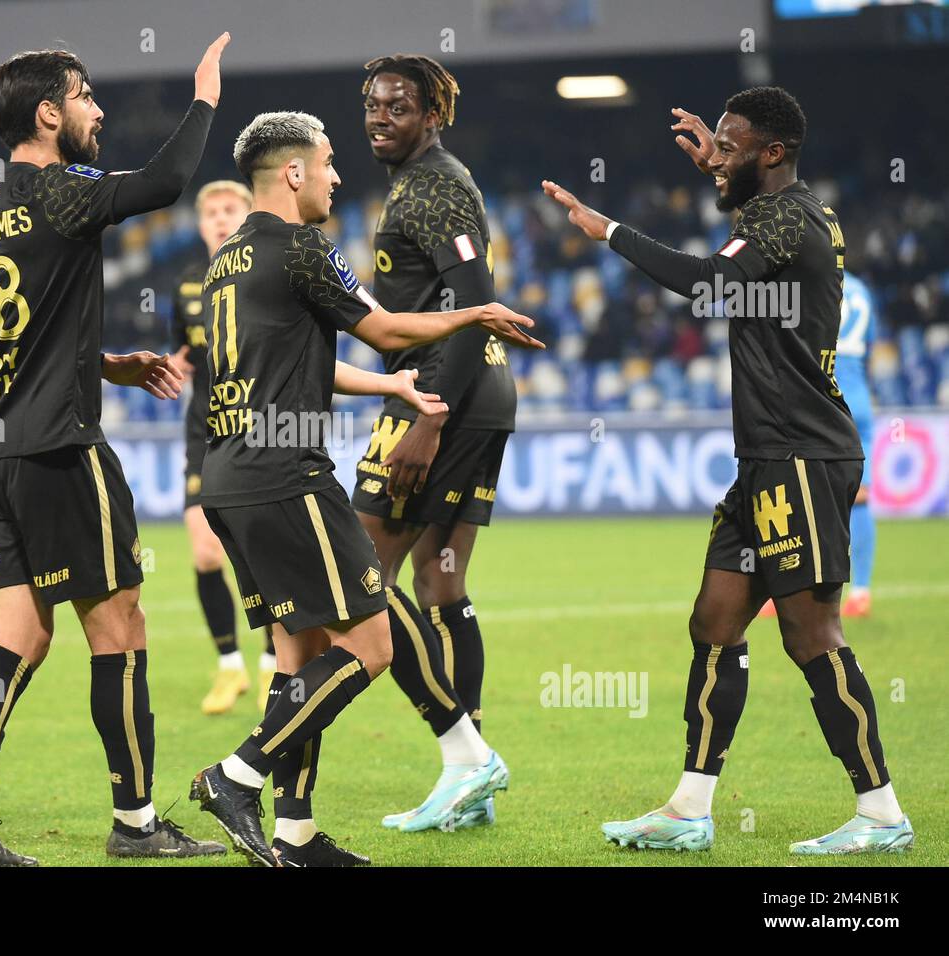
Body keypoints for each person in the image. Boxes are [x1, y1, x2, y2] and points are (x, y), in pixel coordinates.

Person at [543, 85, 913, 854]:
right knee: (715, 621)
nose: (716, 156)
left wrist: (608, 229)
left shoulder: (786, 217)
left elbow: (707, 281)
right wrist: (725, 169)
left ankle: (881, 814)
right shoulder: (787, 212)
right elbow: (746, 239)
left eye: (732, 145)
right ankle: (690, 809)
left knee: (812, 635)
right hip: (766, 461)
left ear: (773, 153)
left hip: (803, 455)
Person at [189, 110, 544, 866]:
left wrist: (393, 388)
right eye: (326, 163)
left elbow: (303, 366)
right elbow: (382, 328)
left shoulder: (227, 262)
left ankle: (295, 834)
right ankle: (236, 776)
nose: (337, 176)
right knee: (371, 643)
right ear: (293, 172)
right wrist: (475, 313)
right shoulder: (302, 247)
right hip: (286, 476)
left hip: (228, 477)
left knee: (298, 654)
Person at [0, 36, 232, 867]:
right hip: (58, 446)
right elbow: (164, 183)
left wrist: (101, 362)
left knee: (20, 635)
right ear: (48, 114)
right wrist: (204, 96)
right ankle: (137, 824)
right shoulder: (63, 189)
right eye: (86, 96)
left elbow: (18, 329)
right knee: (120, 624)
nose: (98, 110)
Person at [353, 53, 518, 832]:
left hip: (443, 394)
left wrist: (429, 417)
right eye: (372, 105)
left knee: (360, 572)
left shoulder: (435, 185)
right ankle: (470, 779)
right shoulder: (420, 182)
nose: (380, 118)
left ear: (432, 114)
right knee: (440, 585)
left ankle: (465, 756)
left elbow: (475, 299)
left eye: (398, 106)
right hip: (478, 391)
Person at [169, 180, 278, 714]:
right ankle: (230, 665)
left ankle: (274, 661)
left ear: (249, 213)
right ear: (199, 223)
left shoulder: (269, 270)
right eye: (210, 212)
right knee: (205, 548)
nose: (218, 218)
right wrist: (173, 364)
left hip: (259, 425)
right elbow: (184, 350)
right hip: (203, 428)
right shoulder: (187, 284)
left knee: (262, 548)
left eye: (229, 209)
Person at [836, 271, 878, 618]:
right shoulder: (862, 288)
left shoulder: (811, 277)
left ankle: (782, 591)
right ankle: (861, 592)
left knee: (795, 491)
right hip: (859, 397)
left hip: (826, 398)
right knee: (859, 496)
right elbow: (872, 348)